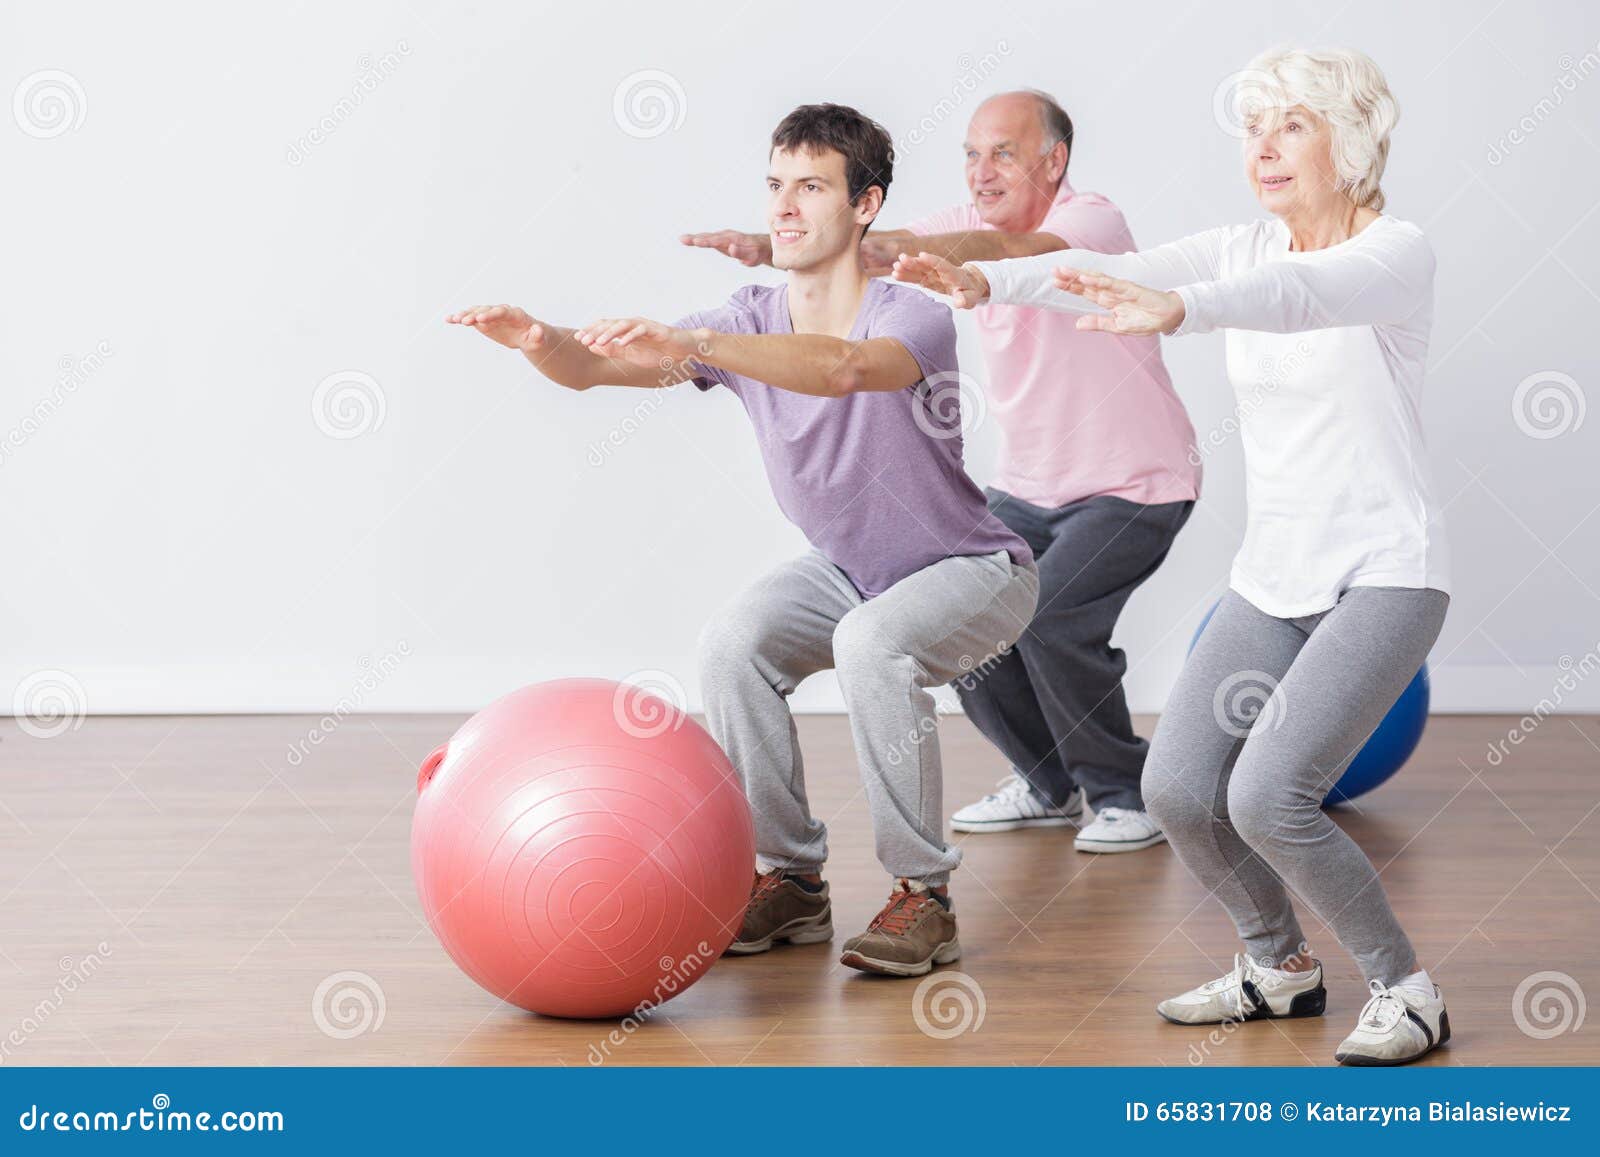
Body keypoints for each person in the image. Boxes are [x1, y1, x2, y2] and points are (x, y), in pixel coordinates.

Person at [894, 48, 1452, 1064]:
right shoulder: (1243, 243)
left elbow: (1297, 294)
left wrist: (1188, 308)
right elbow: (1107, 275)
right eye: (1253, 127)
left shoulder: (1393, 251)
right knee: (1180, 788)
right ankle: (1275, 963)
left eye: (1292, 124)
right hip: (1271, 574)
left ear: (1353, 139)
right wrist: (983, 277)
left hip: (1386, 572)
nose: (1264, 147)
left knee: (1266, 795)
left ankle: (1407, 988)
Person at [448, 103, 1038, 979]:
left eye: (811, 187)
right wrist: (544, 342)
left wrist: (702, 342)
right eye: (774, 186)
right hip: (852, 572)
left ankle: (926, 897)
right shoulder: (747, 315)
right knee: (733, 643)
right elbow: (592, 370)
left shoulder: (909, 315)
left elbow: (843, 370)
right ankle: (793, 880)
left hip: (975, 570)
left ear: (865, 203)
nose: (785, 207)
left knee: (870, 644)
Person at [684, 90, 1198, 855]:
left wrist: (890, 249)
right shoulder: (960, 225)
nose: (980, 172)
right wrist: (793, 242)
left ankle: (1125, 792)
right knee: (952, 611)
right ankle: (1049, 782)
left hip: (1136, 481)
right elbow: (881, 240)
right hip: (1028, 486)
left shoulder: (1092, 220)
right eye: (969, 153)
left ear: (1053, 162)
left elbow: (1019, 254)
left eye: (1003, 154)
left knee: (1053, 621)